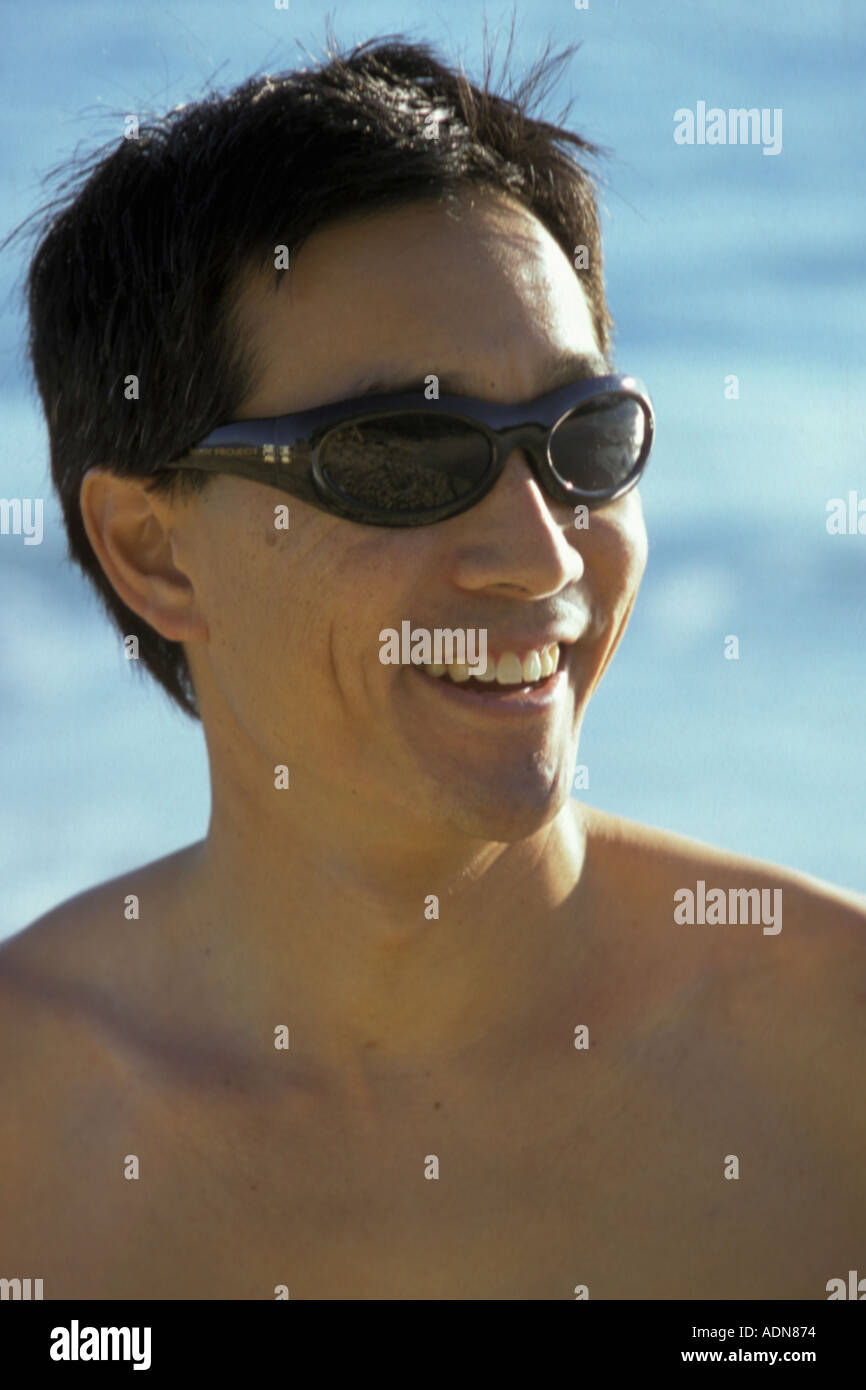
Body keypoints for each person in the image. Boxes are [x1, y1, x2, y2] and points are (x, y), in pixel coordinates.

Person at [2, 34, 863, 1301]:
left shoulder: (831, 1066)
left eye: (582, 438)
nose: (534, 556)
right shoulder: (30, 1129)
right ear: (151, 549)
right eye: (404, 453)